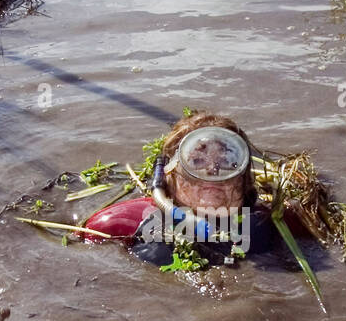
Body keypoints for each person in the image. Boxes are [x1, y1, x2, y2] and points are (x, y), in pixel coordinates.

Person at [85, 112, 274, 264]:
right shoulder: (121, 224)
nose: (212, 172)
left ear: (245, 179)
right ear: (169, 175)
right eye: (196, 161)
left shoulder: (269, 224)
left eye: (227, 162)